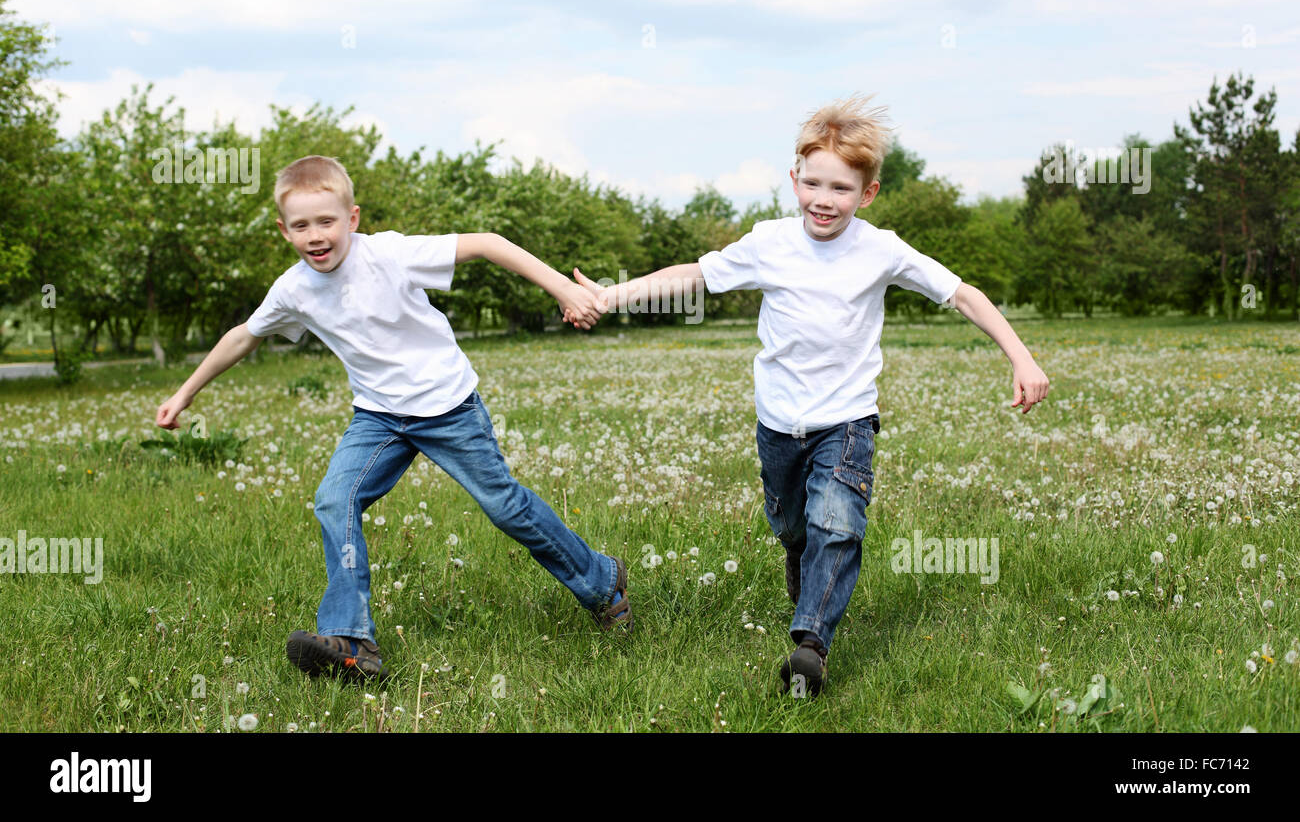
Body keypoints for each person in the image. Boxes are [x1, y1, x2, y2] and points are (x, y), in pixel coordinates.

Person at [577, 96, 1048, 697]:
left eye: (842, 189)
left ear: (868, 193)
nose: (825, 200)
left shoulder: (882, 250)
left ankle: (811, 647)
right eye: (814, 183)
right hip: (778, 423)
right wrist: (612, 296)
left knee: (838, 524)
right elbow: (693, 275)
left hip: (846, 419)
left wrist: (1022, 355)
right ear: (793, 178)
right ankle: (806, 578)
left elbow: (962, 294)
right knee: (794, 529)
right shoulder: (769, 243)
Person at [155, 155, 632, 681]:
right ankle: (352, 642)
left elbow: (490, 243)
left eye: (326, 221)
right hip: (379, 418)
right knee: (336, 499)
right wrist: (185, 394)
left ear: (352, 218)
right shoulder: (293, 288)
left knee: (506, 508)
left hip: (447, 408)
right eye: (301, 226)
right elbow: (244, 334)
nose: (315, 236)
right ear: (283, 229)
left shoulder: (391, 254)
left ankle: (601, 580)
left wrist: (563, 289)